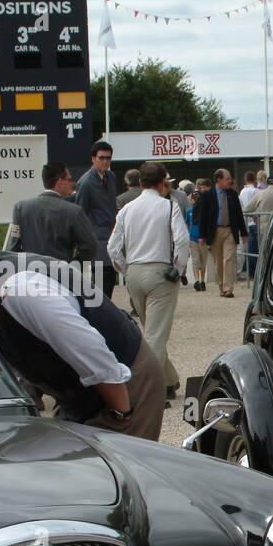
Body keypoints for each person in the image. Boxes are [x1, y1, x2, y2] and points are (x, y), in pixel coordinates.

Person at [0, 219, 164, 439]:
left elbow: (90, 349)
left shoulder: (18, 289)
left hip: (125, 381)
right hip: (87, 391)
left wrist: (122, 415)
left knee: (120, 481)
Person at [107, 160, 189, 400]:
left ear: (140, 182)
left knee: (152, 329)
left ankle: (169, 380)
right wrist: (179, 267)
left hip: (134, 273)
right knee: (155, 334)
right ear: (163, 182)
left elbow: (112, 247)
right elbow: (181, 240)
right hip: (160, 272)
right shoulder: (169, 206)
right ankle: (148, 389)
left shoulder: (126, 209)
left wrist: (124, 269)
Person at [4, 160, 99, 264]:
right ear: (59, 183)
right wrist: (75, 265)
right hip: (60, 275)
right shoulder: (73, 211)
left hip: (30, 273)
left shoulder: (20, 208)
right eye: (69, 179)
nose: (71, 183)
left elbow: (13, 248)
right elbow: (91, 246)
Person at [74, 140, 120, 299]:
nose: (105, 161)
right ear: (93, 158)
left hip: (111, 235)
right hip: (97, 238)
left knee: (111, 277)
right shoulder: (86, 182)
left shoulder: (111, 177)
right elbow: (81, 212)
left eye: (108, 158)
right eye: (102, 158)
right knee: (101, 280)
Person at [197, 167, 247, 299]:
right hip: (215, 231)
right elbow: (203, 216)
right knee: (218, 261)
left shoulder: (232, 194)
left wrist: (244, 232)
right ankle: (221, 286)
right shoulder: (208, 195)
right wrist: (201, 235)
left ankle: (228, 288)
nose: (230, 181)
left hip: (230, 230)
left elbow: (238, 214)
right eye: (227, 179)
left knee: (229, 259)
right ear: (219, 180)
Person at [244, 174, 273, 248]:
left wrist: (255, 216)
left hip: (264, 229)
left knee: (264, 251)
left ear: (267, 184)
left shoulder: (260, 193)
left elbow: (246, 210)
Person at [186, 189, 208, 291]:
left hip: (202, 237)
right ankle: (197, 280)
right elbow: (187, 224)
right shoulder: (189, 211)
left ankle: (202, 280)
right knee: (196, 260)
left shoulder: (204, 210)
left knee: (203, 260)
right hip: (193, 237)